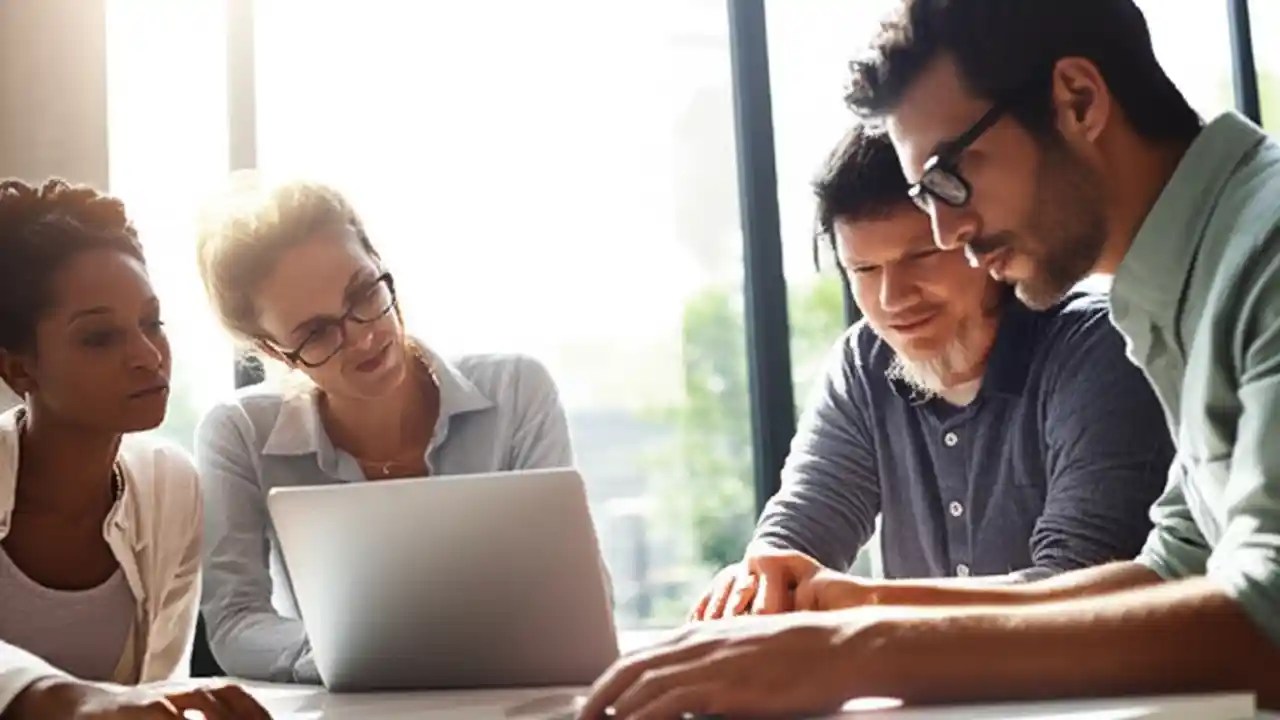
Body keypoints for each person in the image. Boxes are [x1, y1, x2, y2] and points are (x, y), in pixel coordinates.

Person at [578, 1, 1280, 716]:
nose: (952, 232)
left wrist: (863, 650)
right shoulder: (1187, 284)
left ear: (1078, 100)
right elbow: (1170, 574)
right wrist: (865, 605)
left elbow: (1269, 618)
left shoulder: (1266, 254)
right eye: (924, 194)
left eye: (948, 175)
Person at [691, 126, 1171, 621]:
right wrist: (762, 579)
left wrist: (869, 606)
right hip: (931, 696)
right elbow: (801, 531)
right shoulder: (864, 366)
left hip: (1100, 694)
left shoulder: (1096, 349)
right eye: (865, 270)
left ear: (974, 240)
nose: (892, 299)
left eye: (920, 257)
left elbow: (1082, 591)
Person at [194, 175, 576, 684]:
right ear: (273, 351)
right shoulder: (238, 433)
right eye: (316, 332)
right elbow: (235, 620)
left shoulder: (516, 390)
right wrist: (352, 656)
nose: (364, 335)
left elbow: (571, 594)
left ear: (378, 261)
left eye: (363, 292)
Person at [0, 179, 269, 719]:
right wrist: (66, 700)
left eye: (151, 323)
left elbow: (154, 693)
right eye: (100, 338)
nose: (148, 355)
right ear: (18, 367)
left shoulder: (169, 487)